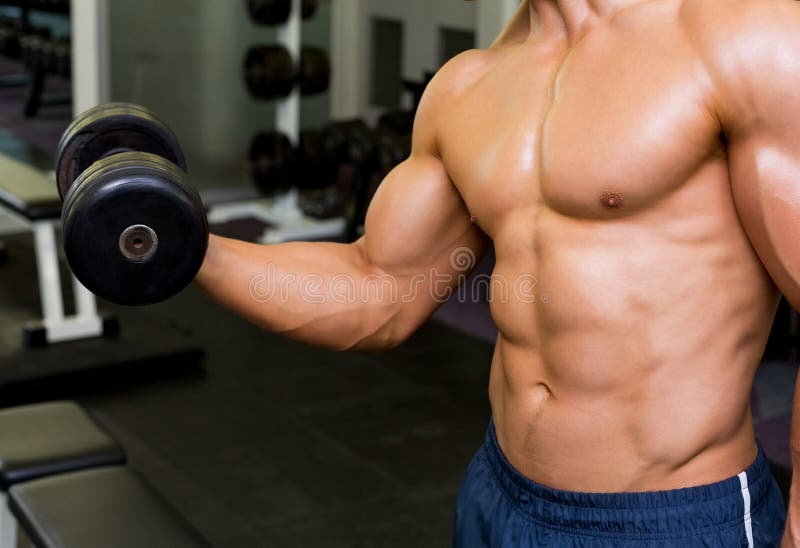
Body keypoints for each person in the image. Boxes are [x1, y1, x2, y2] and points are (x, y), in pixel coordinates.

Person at [196, 0, 800, 545]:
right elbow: (376, 289)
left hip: (672, 518)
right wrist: (185, 249)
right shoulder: (468, 84)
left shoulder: (742, 35)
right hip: (497, 497)